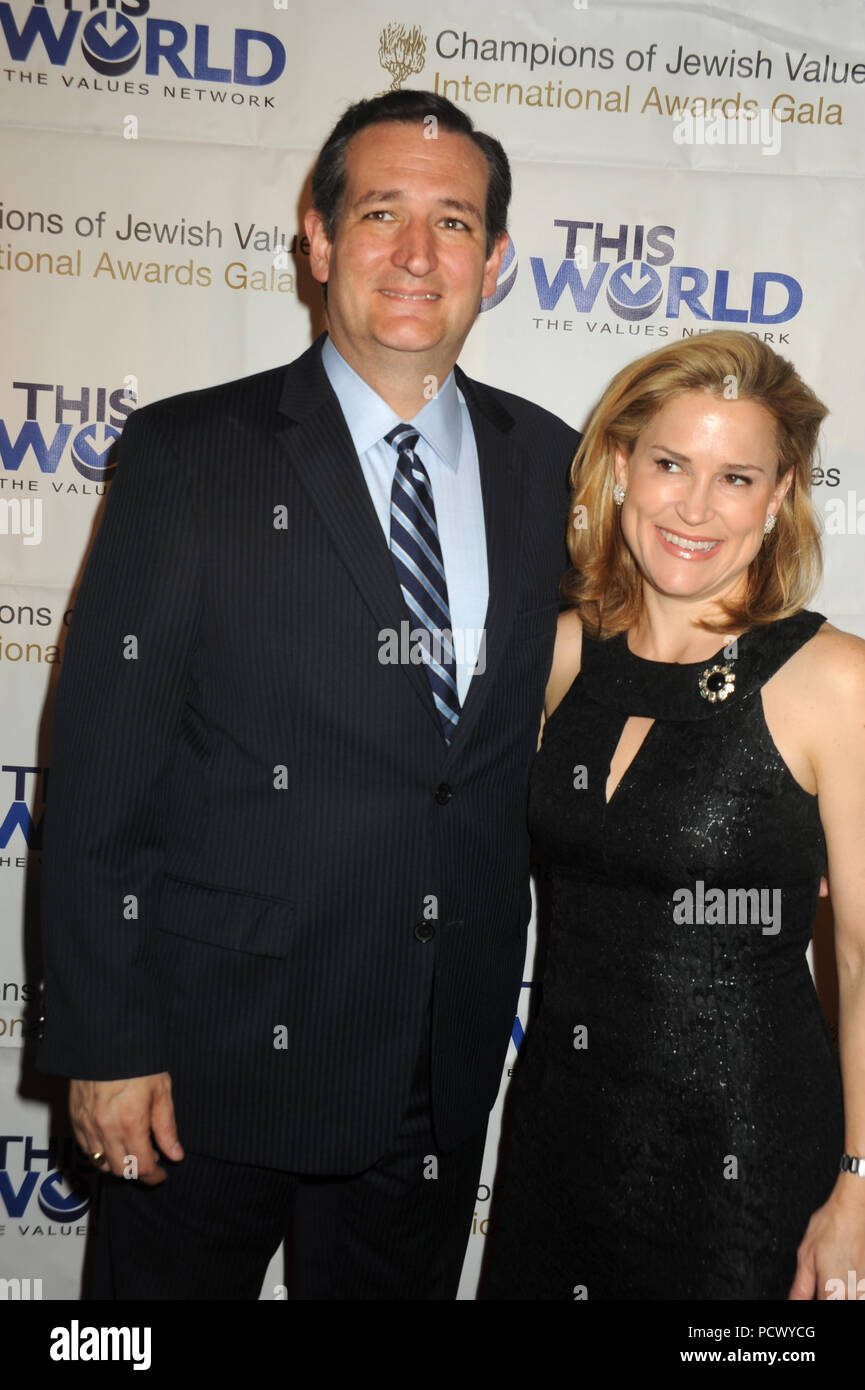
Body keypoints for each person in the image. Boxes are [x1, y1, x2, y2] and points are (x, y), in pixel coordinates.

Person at [37, 89, 579, 1299]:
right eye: (381, 212)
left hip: (432, 1073)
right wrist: (107, 1041)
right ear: (319, 239)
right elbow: (102, 768)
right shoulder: (190, 452)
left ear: (493, 264)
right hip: (203, 1066)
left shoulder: (552, 464)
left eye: (453, 222)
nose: (414, 253)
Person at [485, 330, 865, 1300]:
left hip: (745, 1161)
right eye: (669, 464)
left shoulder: (832, 684)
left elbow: (863, 959)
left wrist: (859, 1184)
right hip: (559, 1143)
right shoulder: (561, 656)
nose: (695, 508)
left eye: (736, 477)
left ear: (778, 496)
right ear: (619, 467)